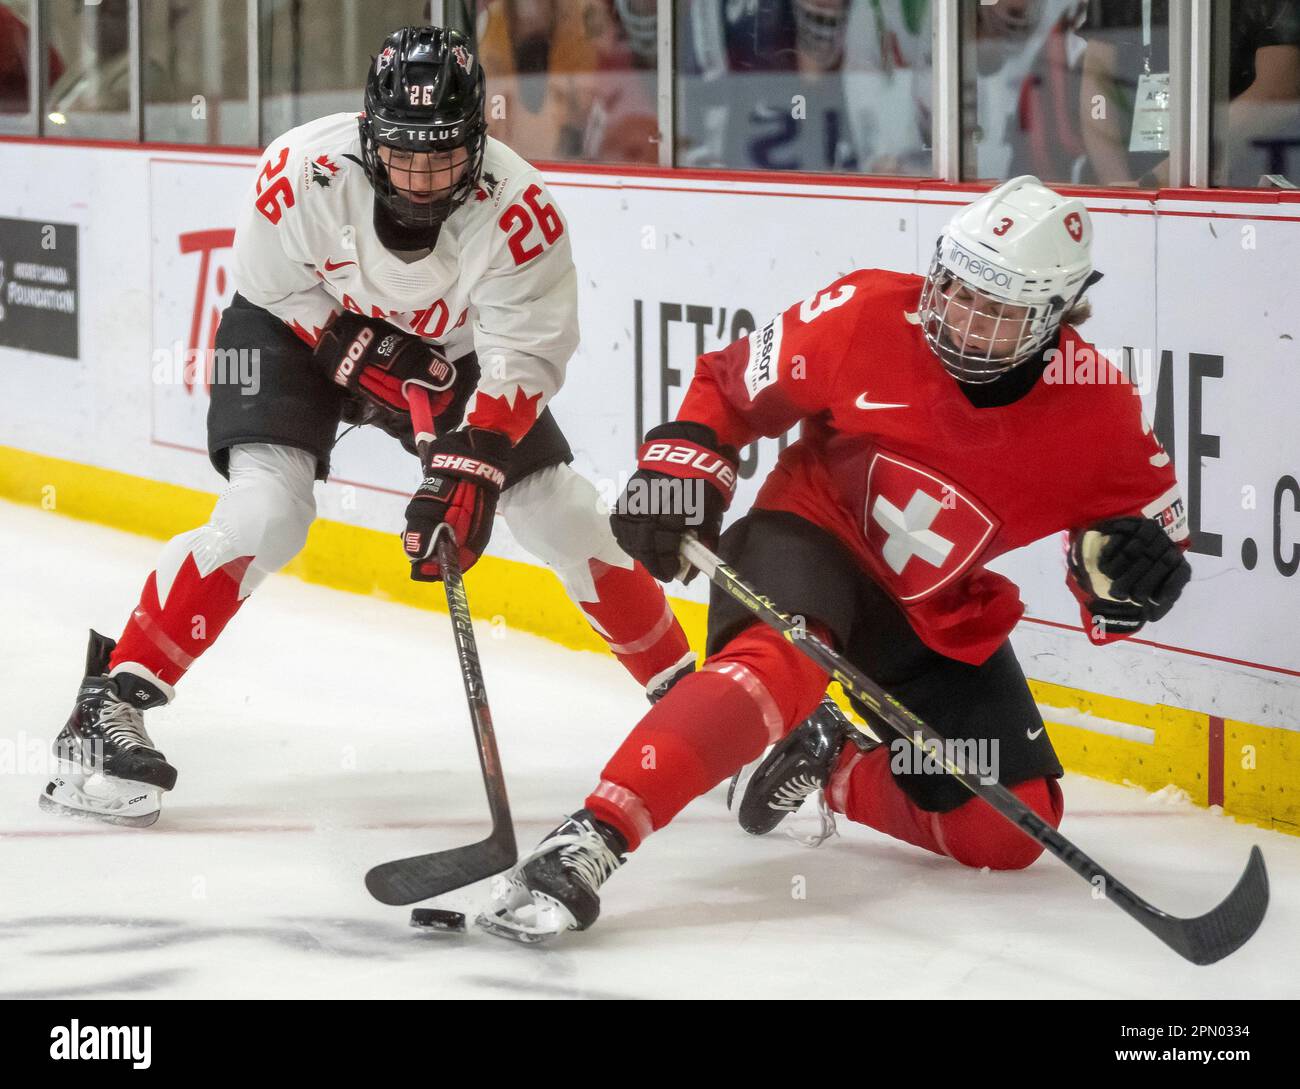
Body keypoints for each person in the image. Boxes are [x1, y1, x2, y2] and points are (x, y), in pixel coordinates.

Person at [478, 176, 1193, 943]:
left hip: (933, 609)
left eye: (995, 310)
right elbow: (731, 385)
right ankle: (589, 838)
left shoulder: (1100, 412)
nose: (957, 317)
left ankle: (830, 764)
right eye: (955, 287)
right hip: (807, 539)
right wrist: (680, 471)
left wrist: (1131, 582)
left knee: (1008, 825)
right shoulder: (868, 312)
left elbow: (1135, 557)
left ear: (1056, 318)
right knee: (776, 662)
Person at [41, 25, 694, 827]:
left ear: (479, 141)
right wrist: (343, 339)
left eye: (443, 155)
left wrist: (474, 463)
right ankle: (109, 702)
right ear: (366, 135)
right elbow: (267, 283)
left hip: (447, 355)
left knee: (557, 507)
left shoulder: (521, 213)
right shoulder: (302, 171)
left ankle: (693, 705)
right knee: (269, 511)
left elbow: (524, 357)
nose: (421, 179)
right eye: (404, 153)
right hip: (291, 330)